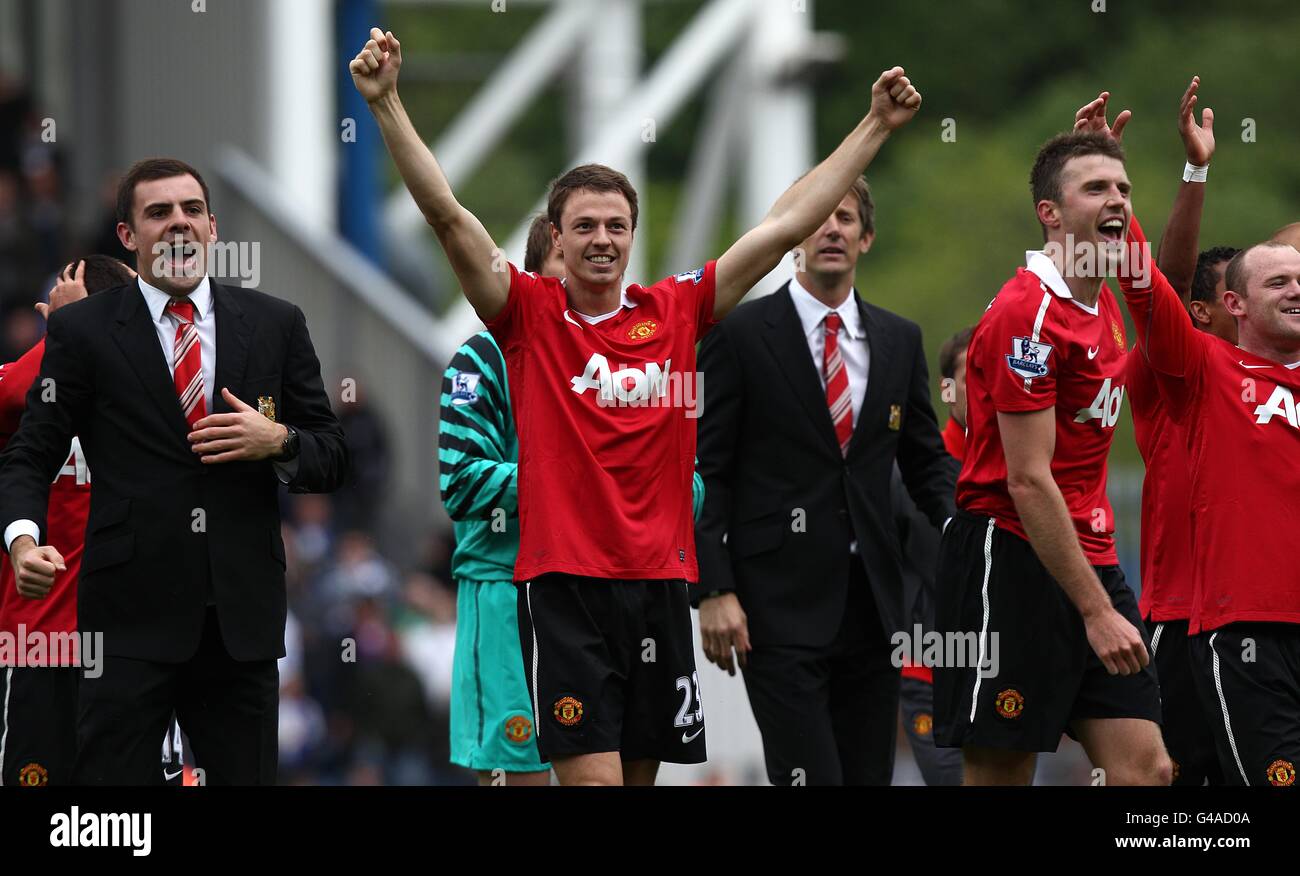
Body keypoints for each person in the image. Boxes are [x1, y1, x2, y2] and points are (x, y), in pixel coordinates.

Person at [351, 26, 922, 785]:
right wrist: (388, 105)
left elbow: (784, 224)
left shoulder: (677, 308)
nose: (601, 240)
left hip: (658, 591)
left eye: (615, 226)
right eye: (584, 226)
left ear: (632, 235)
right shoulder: (528, 317)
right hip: (566, 595)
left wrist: (874, 127)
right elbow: (450, 218)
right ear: (556, 237)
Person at [0, 157, 349, 784]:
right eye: (158, 213)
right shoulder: (83, 331)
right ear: (128, 236)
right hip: (127, 623)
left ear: (214, 228)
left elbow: (331, 455)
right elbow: (31, 452)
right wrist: (23, 539)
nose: (178, 224)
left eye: (191, 211)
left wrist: (280, 440)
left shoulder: (276, 323)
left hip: (240, 623)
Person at [692, 177, 955, 785]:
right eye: (816, 218)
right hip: (775, 610)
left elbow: (925, 464)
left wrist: (968, 532)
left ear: (867, 237)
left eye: (845, 217)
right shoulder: (738, 335)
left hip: (874, 607)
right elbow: (707, 472)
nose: (830, 229)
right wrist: (711, 589)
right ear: (792, 238)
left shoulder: (898, 340)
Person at [933, 113, 1170, 785]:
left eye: (1123, 188)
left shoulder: (1104, 304)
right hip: (1009, 557)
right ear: (1051, 214)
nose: (1118, 200)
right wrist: (1095, 611)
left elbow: (1162, 274)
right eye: (1095, 188)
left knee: (1147, 770)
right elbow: (1028, 480)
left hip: (1090, 555)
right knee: (1004, 770)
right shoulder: (1027, 315)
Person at [443, 215, 707, 785]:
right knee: (527, 778)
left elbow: (693, 484)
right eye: (566, 272)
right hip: (508, 587)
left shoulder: (643, 354)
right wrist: (579, 485)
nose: (589, 288)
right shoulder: (482, 360)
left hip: (624, 585)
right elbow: (459, 479)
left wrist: (632, 484)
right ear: (531, 280)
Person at [1118, 202, 1300, 788]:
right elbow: (1150, 291)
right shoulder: (1206, 369)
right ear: (1233, 304)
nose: (1296, 291)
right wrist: (1116, 206)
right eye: (1278, 282)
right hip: (1247, 628)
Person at [1118, 77, 1230, 787]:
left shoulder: (1277, 379)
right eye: (1238, 292)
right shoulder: (1177, 366)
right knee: (1183, 786)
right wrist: (1195, 172)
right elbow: (1160, 276)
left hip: (1268, 621)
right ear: (1203, 311)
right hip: (1186, 621)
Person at [0, 257, 132, 786]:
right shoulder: (25, 396)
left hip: (134, 646)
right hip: (40, 643)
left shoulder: (150, 391)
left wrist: (67, 335)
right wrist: (70, 339)